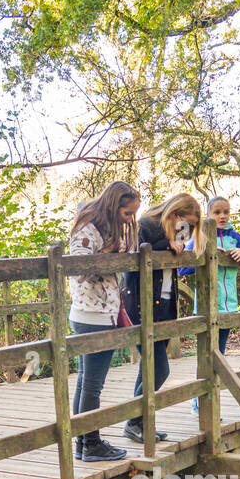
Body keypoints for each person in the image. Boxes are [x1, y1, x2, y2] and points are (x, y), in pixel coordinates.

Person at [67, 180, 141, 462]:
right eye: (126, 214)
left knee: (86, 381)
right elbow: (79, 269)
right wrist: (109, 255)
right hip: (92, 315)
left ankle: (82, 442)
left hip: (100, 312)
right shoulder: (88, 228)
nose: (129, 219)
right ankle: (92, 443)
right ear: (113, 206)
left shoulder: (107, 228)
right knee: (92, 384)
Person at [122, 193, 204, 444]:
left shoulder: (180, 231)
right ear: (174, 214)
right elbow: (131, 258)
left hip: (165, 306)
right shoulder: (144, 226)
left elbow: (178, 265)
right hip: (141, 307)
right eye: (184, 223)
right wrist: (165, 248)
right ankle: (133, 422)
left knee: (149, 367)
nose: (186, 230)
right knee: (160, 368)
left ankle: (142, 423)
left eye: (191, 226)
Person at [181, 195, 240, 411]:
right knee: (208, 356)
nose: (222, 216)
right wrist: (205, 253)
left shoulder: (233, 236)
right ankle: (201, 405)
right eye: (217, 212)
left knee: (219, 356)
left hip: (228, 306)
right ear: (208, 215)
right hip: (206, 307)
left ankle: (205, 402)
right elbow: (182, 268)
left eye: (225, 212)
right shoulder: (200, 236)